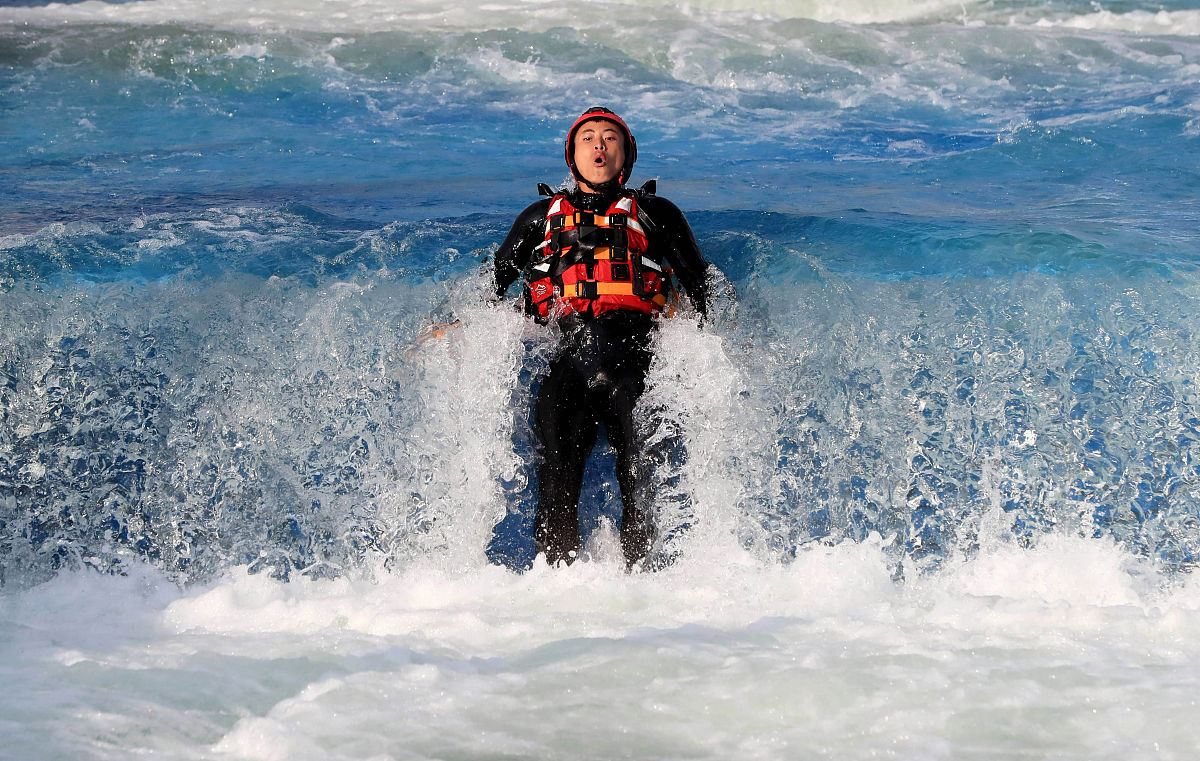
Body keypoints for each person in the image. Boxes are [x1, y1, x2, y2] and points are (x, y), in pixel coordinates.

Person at [492, 106, 710, 569]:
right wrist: (451, 326)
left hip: (635, 368)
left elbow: (701, 284)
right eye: (587, 137)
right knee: (555, 492)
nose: (598, 145)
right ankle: (557, 593)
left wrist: (715, 340)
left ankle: (641, 598)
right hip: (565, 371)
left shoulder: (656, 213)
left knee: (641, 493)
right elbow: (492, 289)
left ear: (625, 155)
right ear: (572, 155)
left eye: (610, 138)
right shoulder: (538, 217)